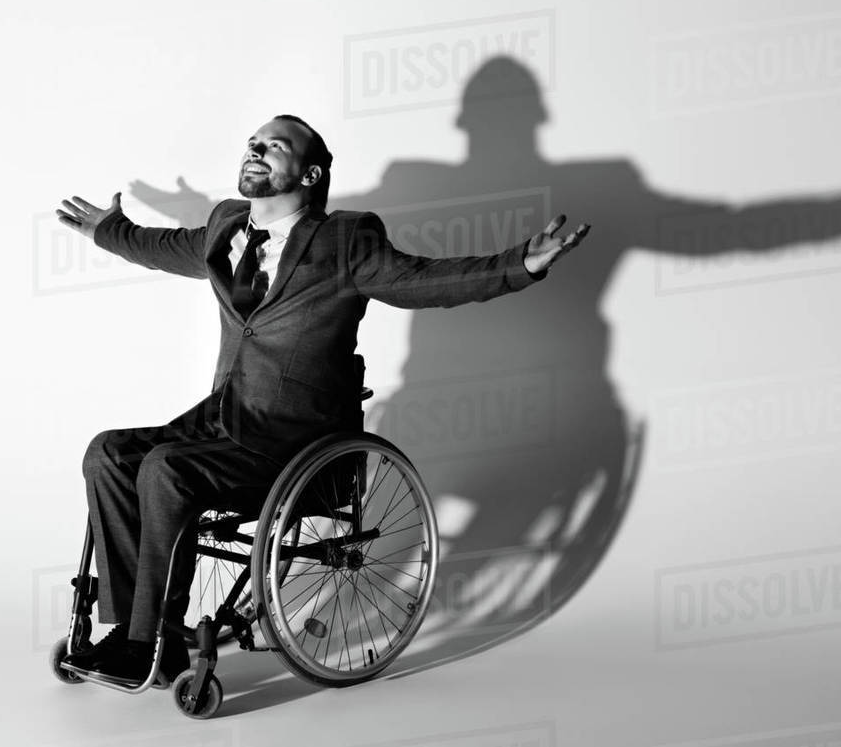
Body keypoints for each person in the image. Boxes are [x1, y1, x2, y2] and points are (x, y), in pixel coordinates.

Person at [52, 113, 590, 685]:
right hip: (220, 421)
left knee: (164, 471)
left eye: (273, 147)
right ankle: (128, 629)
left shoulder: (344, 241)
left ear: (309, 175)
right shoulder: (224, 226)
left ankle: (151, 645)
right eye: (252, 143)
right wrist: (110, 229)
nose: (255, 150)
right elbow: (164, 246)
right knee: (108, 454)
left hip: (295, 442)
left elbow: (427, 280)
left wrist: (520, 265)